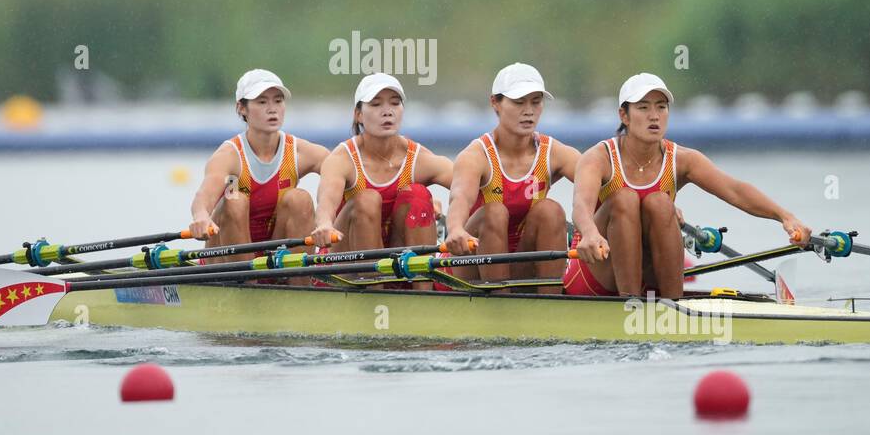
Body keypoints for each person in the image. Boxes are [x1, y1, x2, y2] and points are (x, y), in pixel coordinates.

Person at [567, 72, 812, 299]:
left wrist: (785, 217)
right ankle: (632, 308)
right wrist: (589, 233)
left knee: (660, 202)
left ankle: (675, 307)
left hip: (646, 274)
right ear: (624, 116)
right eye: (643, 108)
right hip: (595, 275)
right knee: (625, 199)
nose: (654, 116)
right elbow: (581, 206)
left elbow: (735, 190)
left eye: (661, 108)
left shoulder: (683, 159)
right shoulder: (599, 157)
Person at [443, 63, 580, 293]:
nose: (529, 111)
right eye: (519, 102)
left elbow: (600, 185)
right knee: (495, 212)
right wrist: (455, 228)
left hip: (521, 260)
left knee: (551, 210)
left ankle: (551, 308)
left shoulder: (554, 152)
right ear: (495, 103)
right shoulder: (476, 156)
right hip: (471, 264)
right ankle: (499, 306)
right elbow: (460, 198)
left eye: (536, 102)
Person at [311, 73, 453, 260]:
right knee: (367, 199)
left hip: (395, 251)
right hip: (346, 257)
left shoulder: (419, 158)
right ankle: (373, 283)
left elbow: (469, 186)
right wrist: (324, 224)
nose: (387, 111)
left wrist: (454, 224)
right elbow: (326, 202)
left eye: (395, 103)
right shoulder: (342, 159)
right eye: (376, 104)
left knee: (419, 195)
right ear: (358, 114)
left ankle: (420, 286)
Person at [190, 70, 329, 257]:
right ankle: (244, 282)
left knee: (300, 199)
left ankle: (299, 282)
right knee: (234, 199)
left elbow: (348, 176)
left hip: (274, 251)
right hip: (227, 256)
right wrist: (201, 217)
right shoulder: (229, 155)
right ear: (241, 108)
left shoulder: (299, 152)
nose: (272, 109)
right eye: (262, 102)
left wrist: (326, 221)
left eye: (278, 101)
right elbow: (204, 196)